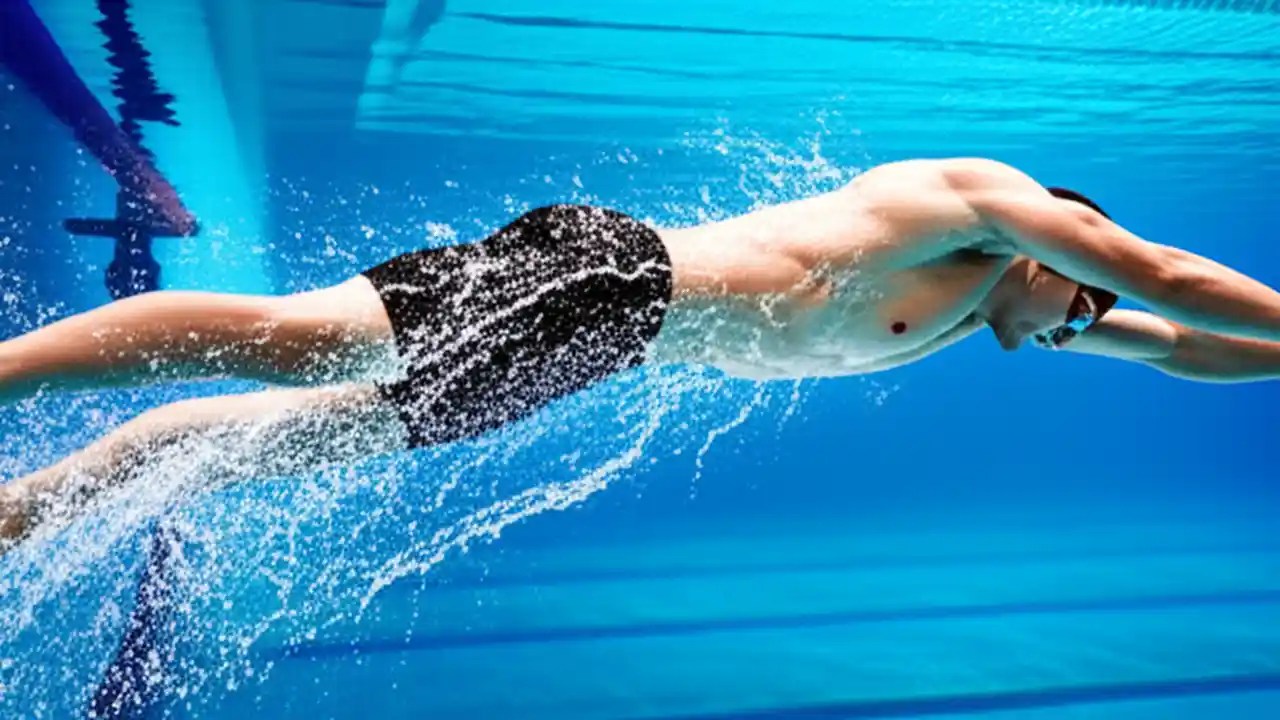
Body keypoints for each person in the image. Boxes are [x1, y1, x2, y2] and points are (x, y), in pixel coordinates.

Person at [2, 157, 1279, 547]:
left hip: (598, 342)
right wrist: (1137, 287)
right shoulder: (969, 211)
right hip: (608, 274)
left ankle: (24, 509)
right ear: (1061, 246)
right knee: (297, 344)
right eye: (1085, 297)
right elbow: (1164, 281)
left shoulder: (982, 320)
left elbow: (1177, 344)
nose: (1085, 325)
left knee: (291, 438)